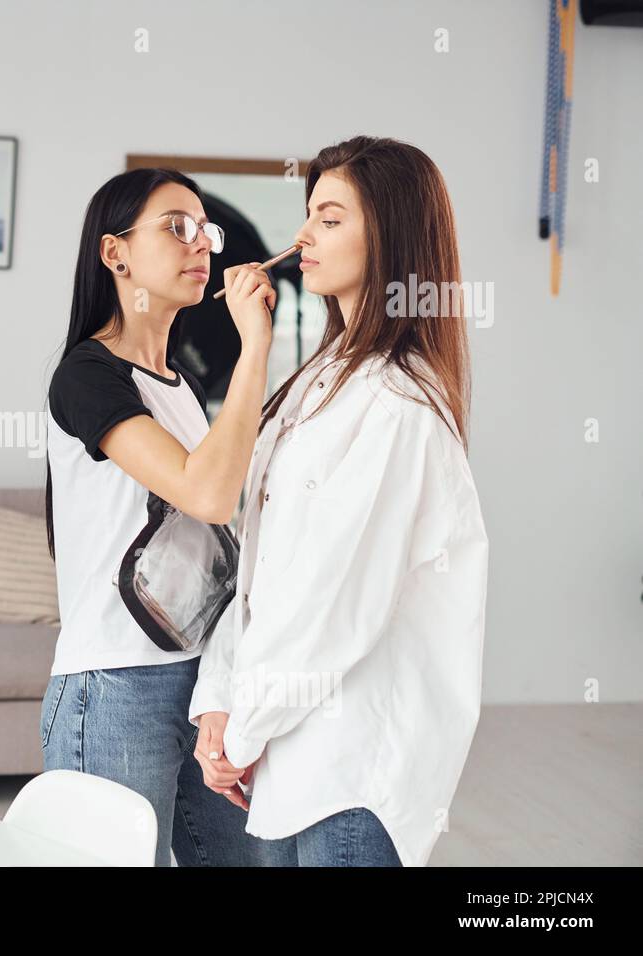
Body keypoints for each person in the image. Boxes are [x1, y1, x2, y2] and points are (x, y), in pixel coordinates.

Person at [190, 135, 489, 867]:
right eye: (309, 215)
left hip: (353, 774)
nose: (302, 237)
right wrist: (220, 702)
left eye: (329, 219)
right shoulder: (319, 384)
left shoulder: (398, 407)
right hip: (283, 759)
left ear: (388, 236)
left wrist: (243, 729)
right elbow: (259, 569)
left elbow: (334, 601)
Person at [42, 167, 295, 866]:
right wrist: (256, 345)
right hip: (112, 686)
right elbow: (206, 493)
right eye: (176, 228)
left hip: (199, 680)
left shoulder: (179, 384)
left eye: (205, 230)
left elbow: (221, 514)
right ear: (114, 252)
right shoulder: (86, 376)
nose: (201, 244)